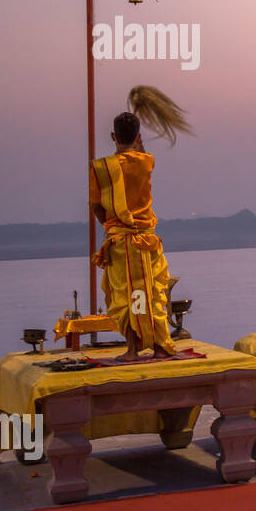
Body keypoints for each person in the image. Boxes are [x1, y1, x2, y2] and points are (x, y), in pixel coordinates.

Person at [89, 111, 177, 361]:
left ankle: (132, 348)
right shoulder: (146, 161)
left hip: (120, 241)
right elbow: (140, 152)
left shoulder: (100, 168)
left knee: (127, 296)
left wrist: (112, 227)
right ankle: (161, 345)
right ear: (138, 137)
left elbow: (96, 207)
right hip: (147, 240)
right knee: (150, 292)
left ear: (112, 136)